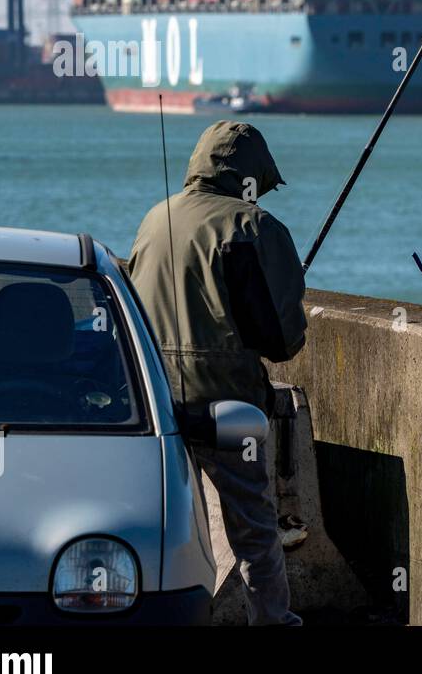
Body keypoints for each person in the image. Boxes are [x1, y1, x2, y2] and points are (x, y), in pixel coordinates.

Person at [128, 120, 307, 626]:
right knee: (254, 529)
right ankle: (273, 622)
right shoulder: (254, 227)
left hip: (155, 403)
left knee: (167, 527)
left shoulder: (153, 219)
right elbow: (283, 342)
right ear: (251, 175)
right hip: (228, 407)